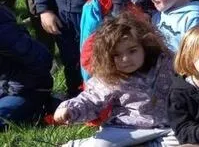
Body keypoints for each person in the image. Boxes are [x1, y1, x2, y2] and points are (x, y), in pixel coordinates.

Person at [52, 14, 178, 146]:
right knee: (101, 145)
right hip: (127, 127)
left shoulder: (165, 63)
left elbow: (190, 77)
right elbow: (91, 98)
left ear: (145, 46)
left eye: (132, 51)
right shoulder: (111, 77)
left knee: (183, 140)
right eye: (117, 55)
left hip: (165, 125)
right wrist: (70, 109)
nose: (126, 59)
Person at [0, 5, 52, 130]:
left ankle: (45, 107)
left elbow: (43, 59)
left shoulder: (4, 32)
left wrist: (10, 88)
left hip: (26, 90)